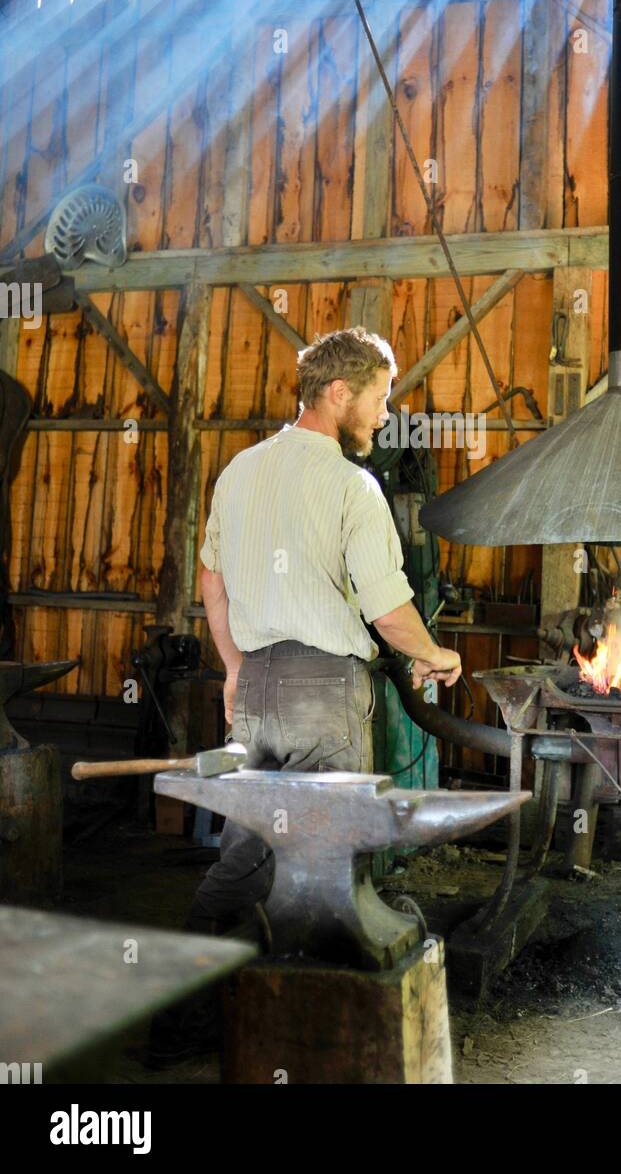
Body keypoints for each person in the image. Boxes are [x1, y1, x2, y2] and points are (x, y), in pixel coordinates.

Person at [147, 327, 460, 1065]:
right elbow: (388, 611)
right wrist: (438, 654)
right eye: (379, 399)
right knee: (330, 857)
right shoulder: (352, 485)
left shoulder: (240, 470)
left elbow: (212, 585)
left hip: (255, 686)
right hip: (324, 690)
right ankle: (323, 1041)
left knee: (247, 851)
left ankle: (178, 1023)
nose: (385, 416)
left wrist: (232, 668)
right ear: (338, 393)